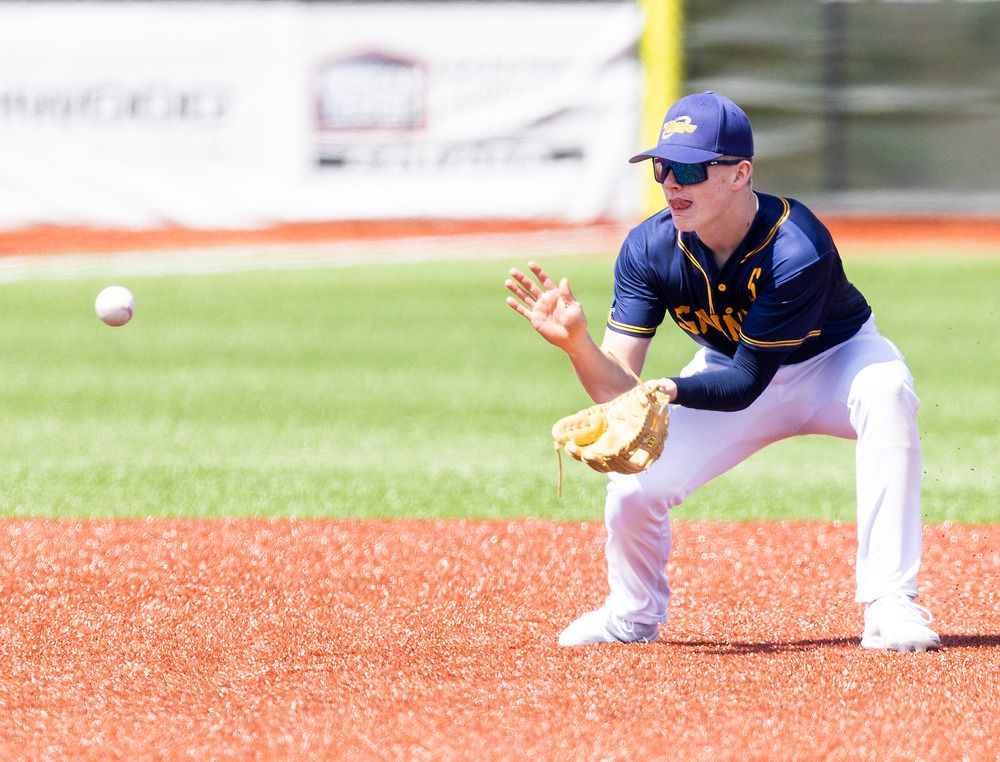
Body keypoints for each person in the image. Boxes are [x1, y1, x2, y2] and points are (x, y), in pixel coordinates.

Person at [504, 91, 940, 652]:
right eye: (663, 166)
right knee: (634, 489)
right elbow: (620, 390)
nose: (672, 184)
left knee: (886, 391)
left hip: (834, 362)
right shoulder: (649, 248)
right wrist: (578, 345)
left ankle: (889, 601)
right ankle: (631, 616)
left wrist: (666, 391)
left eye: (689, 167)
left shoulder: (796, 246)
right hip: (725, 365)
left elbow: (745, 386)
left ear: (740, 174)